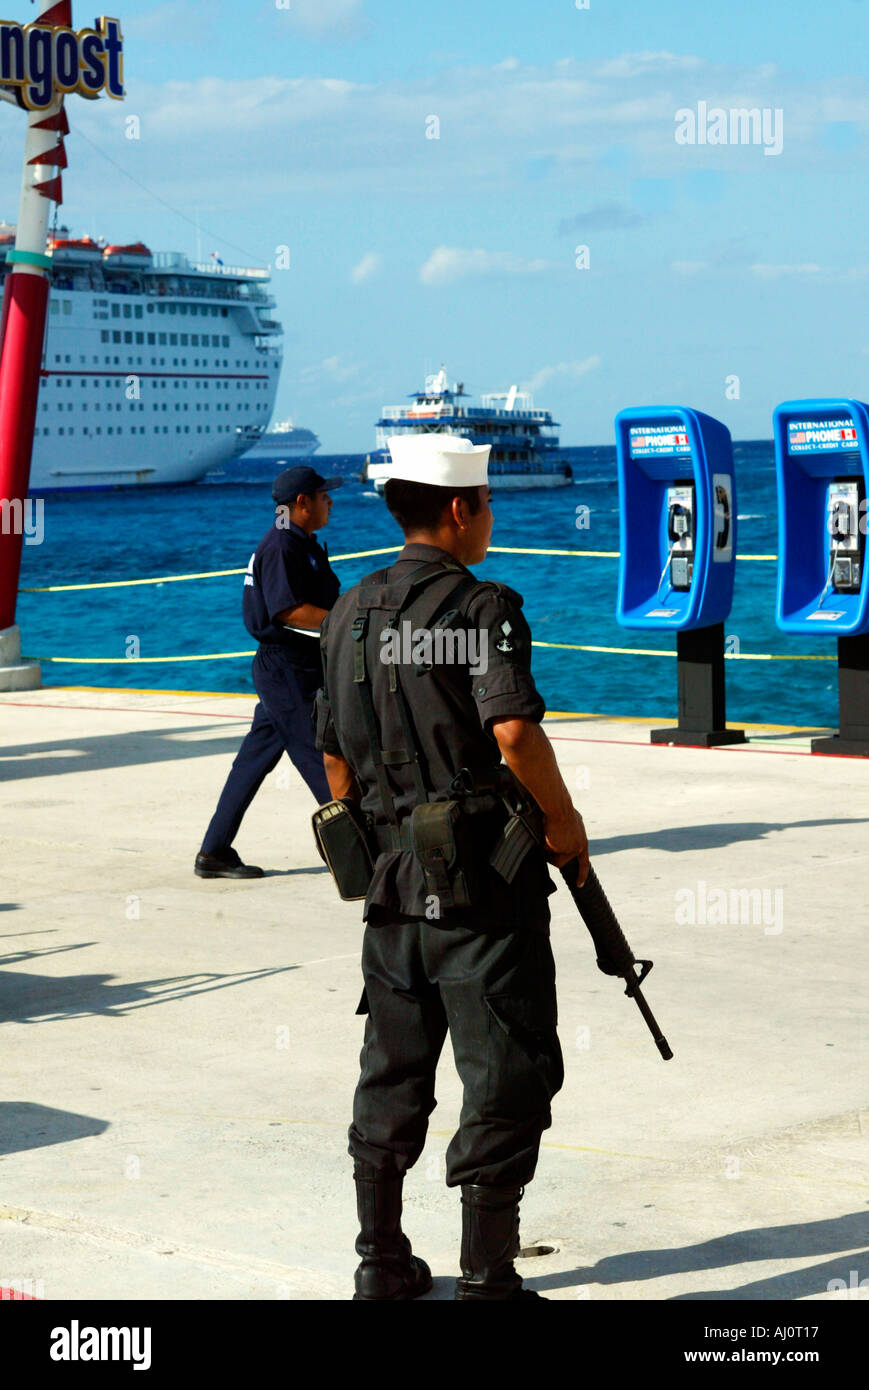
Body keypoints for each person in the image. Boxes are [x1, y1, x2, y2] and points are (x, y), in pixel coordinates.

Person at [314, 433, 589, 1300]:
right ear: (462, 509)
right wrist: (563, 818)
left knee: (391, 1072)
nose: (488, 520)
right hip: (481, 888)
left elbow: (334, 762)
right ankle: (486, 1278)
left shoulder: (348, 611)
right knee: (504, 1069)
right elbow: (512, 730)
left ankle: (380, 1262)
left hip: (390, 887)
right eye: (487, 506)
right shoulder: (482, 607)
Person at [195, 464, 342, 879]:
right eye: (323, 494)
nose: (330, 500)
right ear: (302, 503)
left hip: (297, 667)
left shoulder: (303, 543)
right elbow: (288, 610)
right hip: (287, 669)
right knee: (319, 756)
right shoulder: (281, 547)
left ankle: (214, 852)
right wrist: (348, 626)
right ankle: (362, 849)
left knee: (252, 762)